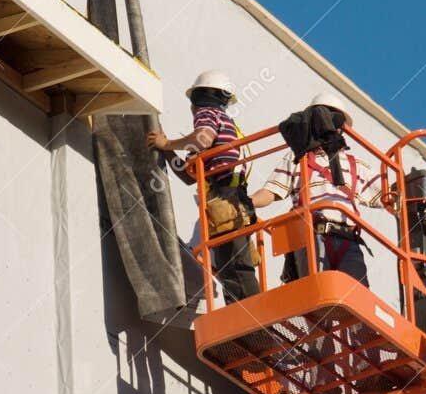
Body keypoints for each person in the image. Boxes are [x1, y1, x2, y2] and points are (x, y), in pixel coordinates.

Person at [146, 70, 258, 304]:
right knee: (234, 265)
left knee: (235, 266)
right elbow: (189, 176)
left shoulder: (208, 113)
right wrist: (167, 149)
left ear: (198, 98)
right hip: (235, 201)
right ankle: (247, 316)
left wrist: (166, 142)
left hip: (226, 198)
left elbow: (202, 139)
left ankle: (253, 319)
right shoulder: (230, 129)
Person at [250, 91, 384, 286]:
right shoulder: (298, 158)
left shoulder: (356, 165)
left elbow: (387, 196)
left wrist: (408, 194)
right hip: (312, 235)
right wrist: (246, 201)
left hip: (349, 240)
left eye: (333, 117)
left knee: (356, 297)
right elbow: (271, 192)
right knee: (318, 294)